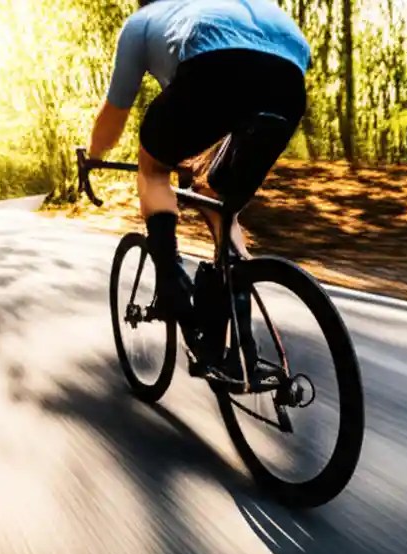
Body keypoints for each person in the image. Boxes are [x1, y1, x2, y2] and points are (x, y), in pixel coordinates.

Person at [86, 0, 310, 336]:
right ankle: (237, 323)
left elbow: (113, 118)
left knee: (153, 167)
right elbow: (219, 114)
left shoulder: (142, 22)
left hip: (216, 69)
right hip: (290, 78)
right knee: (221, 199)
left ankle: (172, 280)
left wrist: (93, 154)